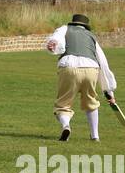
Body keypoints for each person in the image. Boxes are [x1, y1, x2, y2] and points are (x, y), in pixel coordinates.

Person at [45, 13, 117, 142]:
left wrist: (53, 44)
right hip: (91, 69)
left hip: (69, 67)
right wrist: (109, 92)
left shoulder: (65, 28)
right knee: (91, 103)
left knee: (63, 103)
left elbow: (56, 39)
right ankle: (95, 136)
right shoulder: (91, 37)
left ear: (73, 22)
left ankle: (66, 126)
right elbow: (103, 63)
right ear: (85, 26)